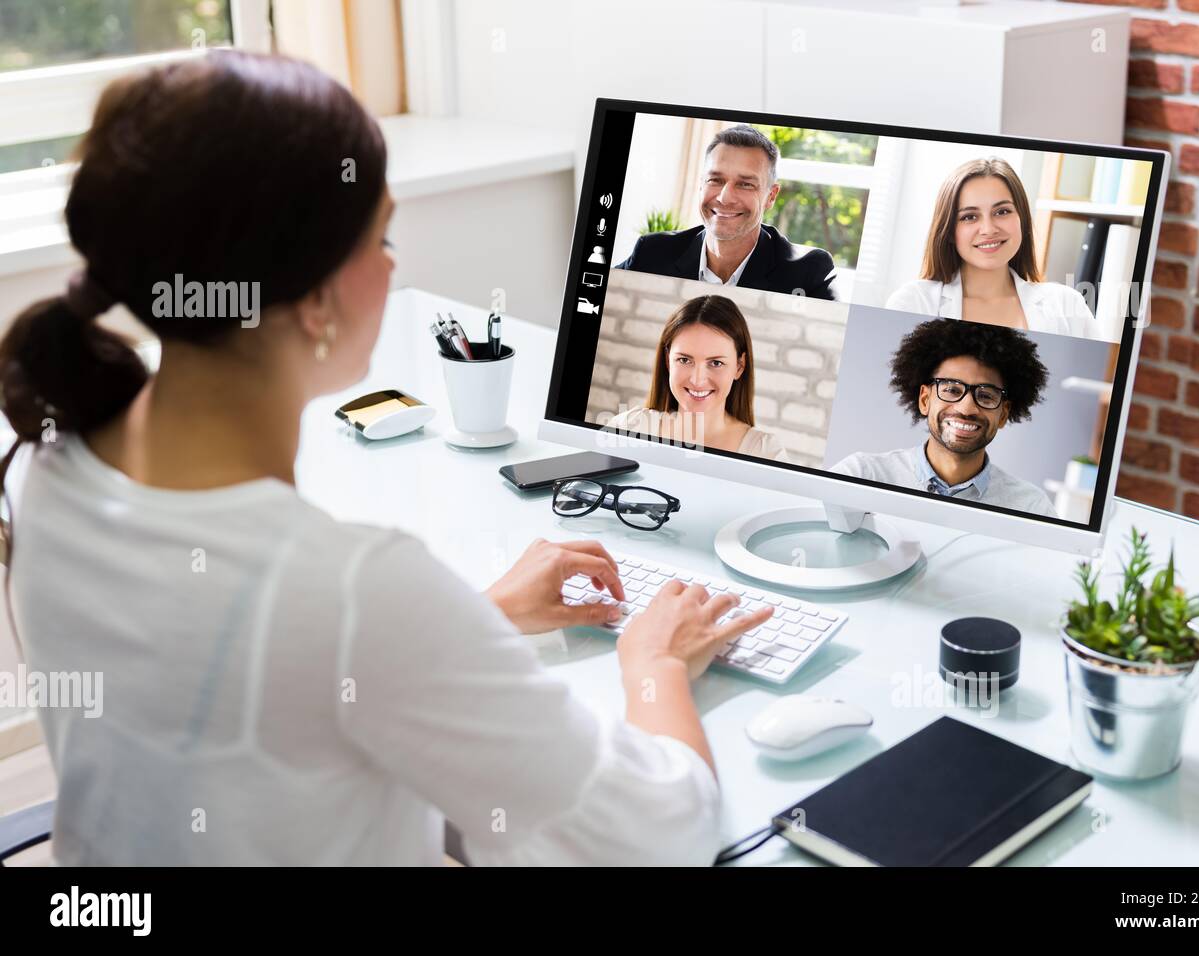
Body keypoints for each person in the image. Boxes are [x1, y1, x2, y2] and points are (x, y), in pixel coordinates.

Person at [0, 51, 775, 866]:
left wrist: (467, 624)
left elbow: (254, 693)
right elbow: (658, 834)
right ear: (317, 299)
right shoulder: (354, 590)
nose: (397, 265)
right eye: (384, 236)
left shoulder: (47, 464)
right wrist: (652, 664)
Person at [830, 319, 1056, 517]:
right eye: (951, 390)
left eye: (985, 395)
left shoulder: (1031, 507)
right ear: (925, 400)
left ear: (1003, 414)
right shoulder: (862, 475)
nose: (966, 408)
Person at [615, 125, 837, 300]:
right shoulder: (651, 253)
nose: (724, 197)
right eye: (715, 180)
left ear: (771, 196)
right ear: (701, 184)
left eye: (745, 184)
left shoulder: (809, 272)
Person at [886, 157, 1099, 339]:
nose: (988, 229)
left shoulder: (1066, 305)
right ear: (950, 231)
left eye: (1002, 212)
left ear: (1022, 219)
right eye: (969, 217)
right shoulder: (912, 303)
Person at [604, 295, 790, 461]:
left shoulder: (766, 452)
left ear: (739, 366)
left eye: (716, 363)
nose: (697, 380)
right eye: (684, 360)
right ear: (668, 361)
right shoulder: (629, 428)